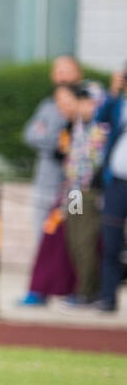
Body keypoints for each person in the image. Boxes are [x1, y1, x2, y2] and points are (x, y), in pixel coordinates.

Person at [21, 58, 84, 304]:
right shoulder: (47, 106)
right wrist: (54, 142)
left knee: (77, 234)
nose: (63, 76)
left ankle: (76, 289)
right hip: (47, 183)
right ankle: (41, 288)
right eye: (58, 71)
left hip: (76, 187)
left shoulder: (89, 106)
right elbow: (31, 135)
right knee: (44, 234)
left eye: (68, 71)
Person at [59, 83, 108, 309]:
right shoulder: (78, 126)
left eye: (87, 101)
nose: (82, 106)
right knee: (74, 239)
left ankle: (88, 291)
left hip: (90, 192)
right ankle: (83, 288)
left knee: (86, 241)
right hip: (75, 191)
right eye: (80, 100)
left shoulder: (103, 127)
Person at [96, 63, 127, 313]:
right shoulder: (119, 103)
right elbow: (99, 120)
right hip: (117, 182)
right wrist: (114, 92)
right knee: (110, 240)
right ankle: (108, 298)